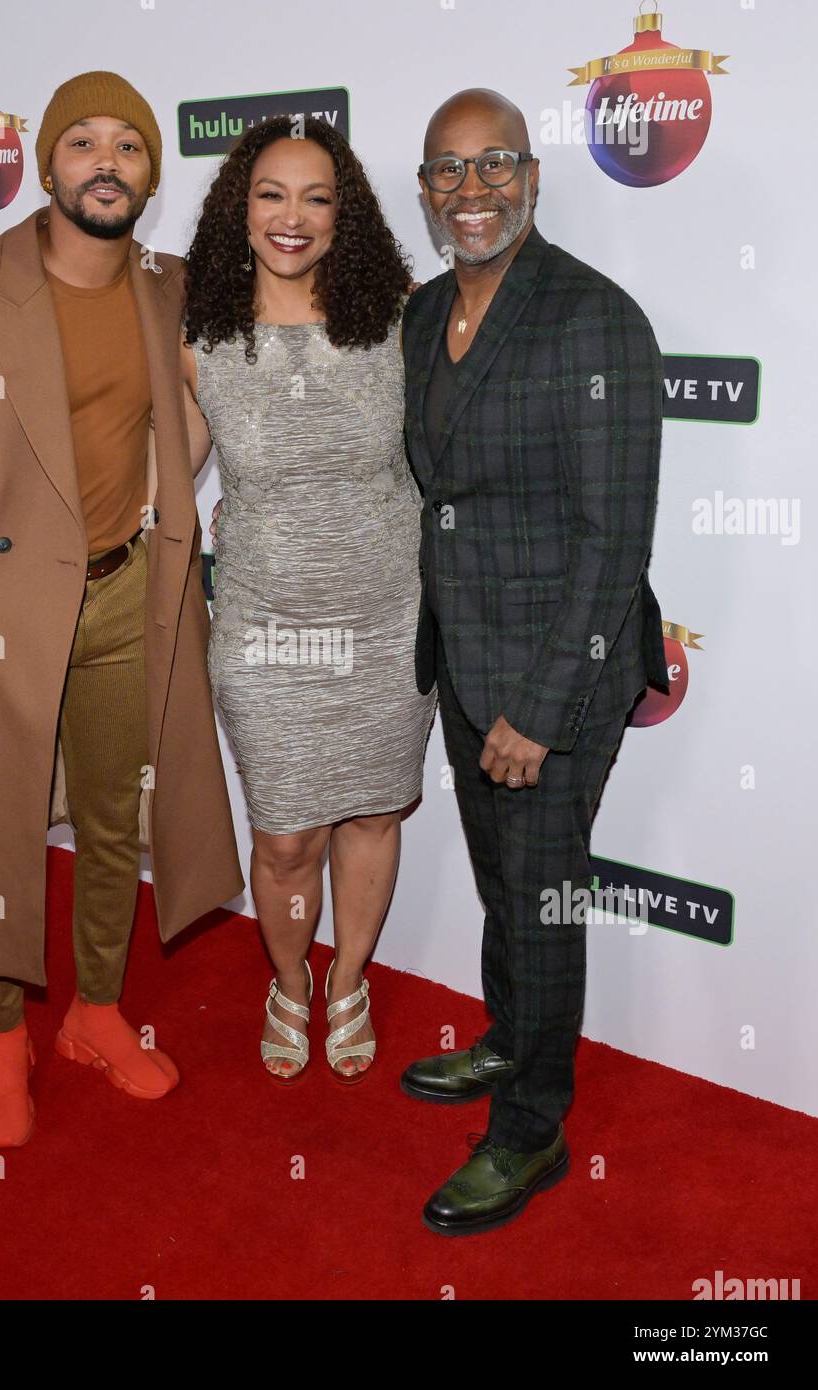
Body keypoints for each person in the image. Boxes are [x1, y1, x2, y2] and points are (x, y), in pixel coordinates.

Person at [0, 71, 242, 1149]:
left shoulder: (169, 290)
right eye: (84, 142)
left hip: (130, 597)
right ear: (47, 164)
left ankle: (95, 1009)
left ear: (150, 176)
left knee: (117, 820)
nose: (107, 163)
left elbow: (193, 420)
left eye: (128, 146)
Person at [401, 89, 670, 1232]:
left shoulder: (593, 320)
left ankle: (531, 1132)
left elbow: (616, 540)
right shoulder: (420, 315)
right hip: (463, 654)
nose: (473, 190)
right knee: (505, 889)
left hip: (558, 668)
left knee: (543, 898)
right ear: (425, 193)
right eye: (449, 172)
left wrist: (545, 710)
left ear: (533, 177)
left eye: (495, 164)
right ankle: (510, 1044)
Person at [180, 115, 436, 1084]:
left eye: (316, 197)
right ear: (238, 208)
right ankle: (291, 982)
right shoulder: (202, 336)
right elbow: (173, 482)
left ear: (346, 212)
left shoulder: (402, 316)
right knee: (285, 835)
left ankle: (352, 979)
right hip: (266, 630)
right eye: (271, 195)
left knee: (371, 815)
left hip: (386, 622)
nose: (292, 217)